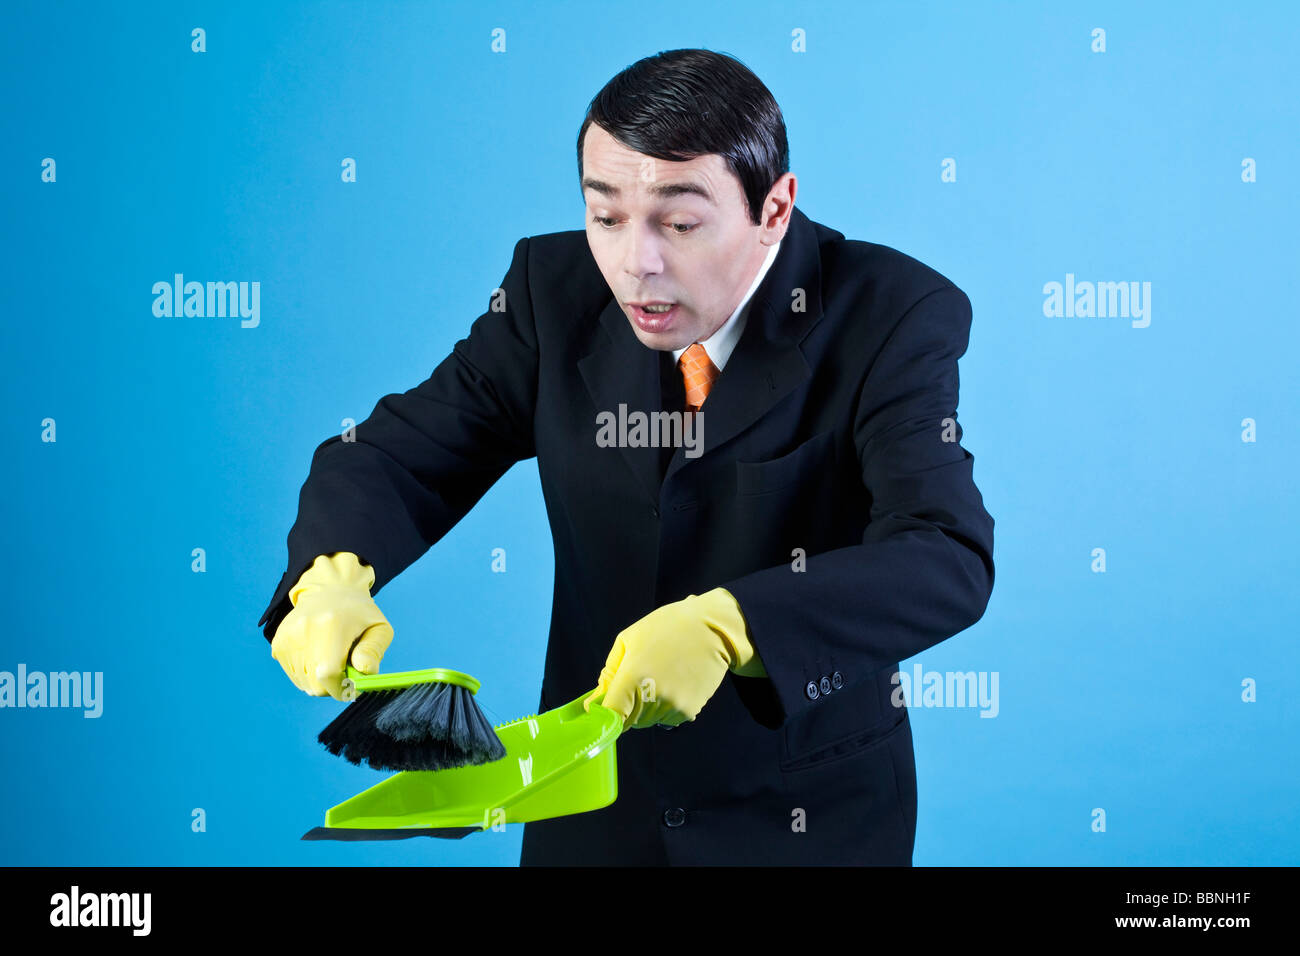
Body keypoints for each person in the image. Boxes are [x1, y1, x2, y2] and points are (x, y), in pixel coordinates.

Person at [259, 48, 995, 866]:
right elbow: (400, 453)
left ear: (775, 210)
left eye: (679, 224)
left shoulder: (892, 312)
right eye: (604, 215)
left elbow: (944, 552)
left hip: (803, 817)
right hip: (589, 816)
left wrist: (734, 624)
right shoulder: (551, 290)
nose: (634, 263)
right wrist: (330, 569)